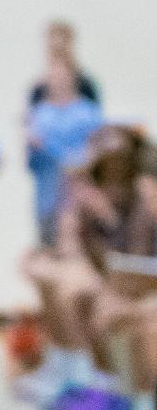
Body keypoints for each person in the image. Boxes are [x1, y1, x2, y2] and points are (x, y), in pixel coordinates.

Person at [23, 125, 157, 396]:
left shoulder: (146, 196)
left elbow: (140, 249)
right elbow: (74, 247)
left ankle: (129, 399)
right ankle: (94, 383)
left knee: (129, 316)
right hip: (123, 281)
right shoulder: (90, 196)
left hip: (144, 286)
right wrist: (90, 207)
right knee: (88, 300)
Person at [25, 56, 104, 247]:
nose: (58, 80)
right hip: (50, 194)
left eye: (62, 75)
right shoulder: (40, 113)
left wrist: (78, 164)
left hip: (81, 189)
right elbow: (33, 158)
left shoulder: (87, 112)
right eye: (53, 75)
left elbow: (97, 148)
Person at [28, 20, 100, 107]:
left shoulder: (85, 86)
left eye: (63, 42)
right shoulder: (39, 90)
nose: (58, 47)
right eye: (54, 44)